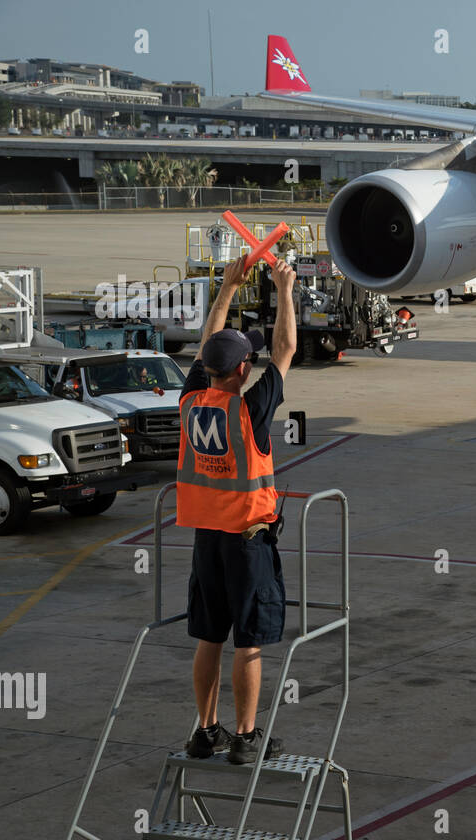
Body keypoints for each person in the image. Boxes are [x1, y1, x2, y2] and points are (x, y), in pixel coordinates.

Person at [178, 254, 297, 765]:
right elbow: (287, 348)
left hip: (207, 539)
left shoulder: (190, 400)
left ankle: (207, 730)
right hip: (248, 541)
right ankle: (247, 737)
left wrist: (227, 289)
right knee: (250, 641)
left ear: (207, 369)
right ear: (243, 371)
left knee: (209, 636)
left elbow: (211, 344)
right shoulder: (249, 410)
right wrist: (284, 289)